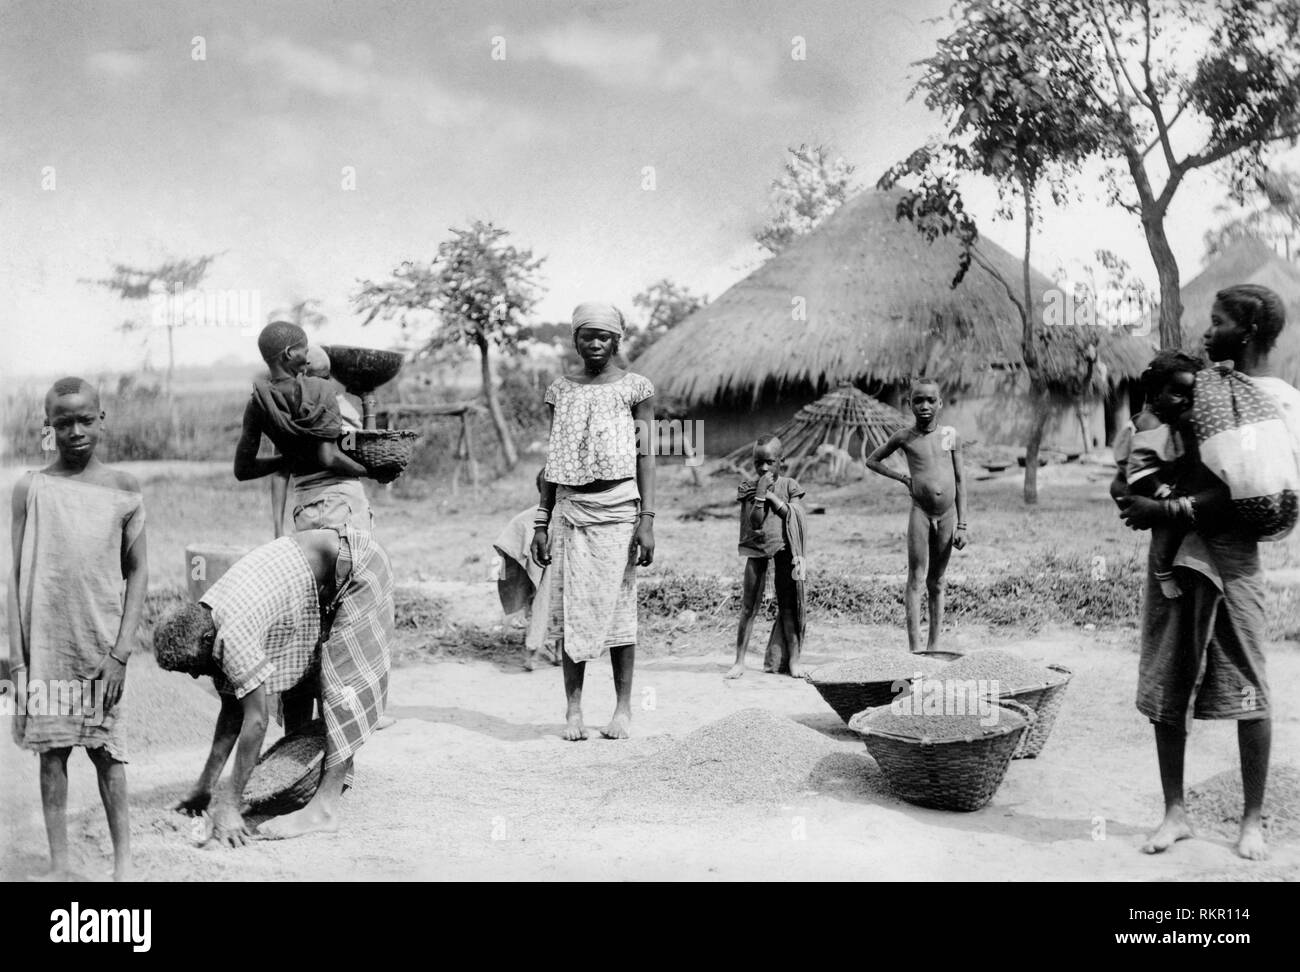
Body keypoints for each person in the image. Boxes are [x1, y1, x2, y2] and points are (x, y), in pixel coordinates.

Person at [1119, 283, 1300, 861]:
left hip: (1234, 555)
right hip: (1173, 553)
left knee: (1251, 680)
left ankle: (1252, 820)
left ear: (1244, 332)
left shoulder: (1276, 401)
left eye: (1218, 321)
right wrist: (1137, 493)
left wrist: (1165, 508)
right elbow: (1145, 458)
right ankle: (1175, 812)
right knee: (1169, 673)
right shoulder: (1198, 387)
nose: (1206, 330)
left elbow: (1251, 491)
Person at [153, 526, 393, 843]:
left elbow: (256, 720)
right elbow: (232, 710)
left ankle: (325, 807)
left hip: (358, 566)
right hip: (318, 576)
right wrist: (205, 787)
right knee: (300, 679)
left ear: (208, 640)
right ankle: (304, 781)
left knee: (341, 686)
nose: (198, 677)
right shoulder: (208, 613)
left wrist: (229, 805)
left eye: (194, 668)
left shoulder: (232, 634)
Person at [8, 377, 148, 881]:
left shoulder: (123, 487)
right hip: (48, 645)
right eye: (62, 422)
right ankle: (61, 865)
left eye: (84, 420)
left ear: (101, 419)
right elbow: (16, 575)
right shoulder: (30, 488)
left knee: (109, 754)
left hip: (99, 642)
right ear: (48, 427)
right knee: (52, 754)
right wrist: (18, 662)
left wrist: (121, 653)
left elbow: (138, 571)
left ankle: (123, 866)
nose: (75, 431)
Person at [531, 302, 655, 741]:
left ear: (617, 341)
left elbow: (646, 456)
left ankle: (622, 710)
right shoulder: (559, 390)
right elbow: (552, 460)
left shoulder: (636, 389)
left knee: (621, 612)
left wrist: (648, 520)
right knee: (572, 612)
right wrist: (541, 523)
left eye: (605, 336)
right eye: (588, 335)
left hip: (620, 510)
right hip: (571, 512)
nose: (596, 343)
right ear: (575, 340)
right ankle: (573, 710)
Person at [236, 321, 384, 538]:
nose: (305, 359)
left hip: (305, 510)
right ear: (290, 355)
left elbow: (246, 470)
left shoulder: (263, 403)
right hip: (342, 504)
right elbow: (331, 455)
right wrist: (371, 471)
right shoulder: (323, 393)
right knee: (357, 570)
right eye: (304, 353)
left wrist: (278, 530)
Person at [865, 378, 968, 653]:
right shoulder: (904, 437)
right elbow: (872, 460)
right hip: (920, 512)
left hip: (947, 515)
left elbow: (960, 481)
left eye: (930, 400)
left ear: (940, 403)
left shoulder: (950, 436)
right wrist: (901, 477)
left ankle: (934, 647)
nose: (924, 406)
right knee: (916, 579)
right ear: (909, 404)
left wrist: (963, 524)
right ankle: (915, 649)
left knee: (937, 581)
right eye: (918, 400)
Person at [1111, 350, 1203, 599]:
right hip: (1142, 485)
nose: (1185, 401)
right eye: (1177, 393)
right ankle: (1163, 573)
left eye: (1190, 395)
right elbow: (1140, 471)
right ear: (1154, 393)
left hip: (1147, 482)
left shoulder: (1166, 424)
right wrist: (1163, 492)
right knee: (1168, 525)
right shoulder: (1151, 424)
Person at [727, 434, 808, 679]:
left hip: (785, 550)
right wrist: (760, 493)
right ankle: (739, 661)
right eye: (758, 463)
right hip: (756, 549)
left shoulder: (790, 485)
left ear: (781, 461)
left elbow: (794, 515)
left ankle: (794, 660)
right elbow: (755, 520)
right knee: (749, 606)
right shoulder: (748, 487)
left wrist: (771, 496)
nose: (763, 467)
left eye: (770, 462)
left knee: (788, 606)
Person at [269, 344, 366, 538]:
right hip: (348, 506)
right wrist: (365, 470)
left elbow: (280, 473)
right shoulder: (344, 408)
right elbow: (345, 454)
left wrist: (278, 531)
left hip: (311, 510)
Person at [493, 469, 558, 671]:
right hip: (543, 571)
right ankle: (535, 653)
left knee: (548, 607)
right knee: (546, 606)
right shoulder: (533, 516)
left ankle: (547, 652)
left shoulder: (535, 516)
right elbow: (510, 542)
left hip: (554, 571)